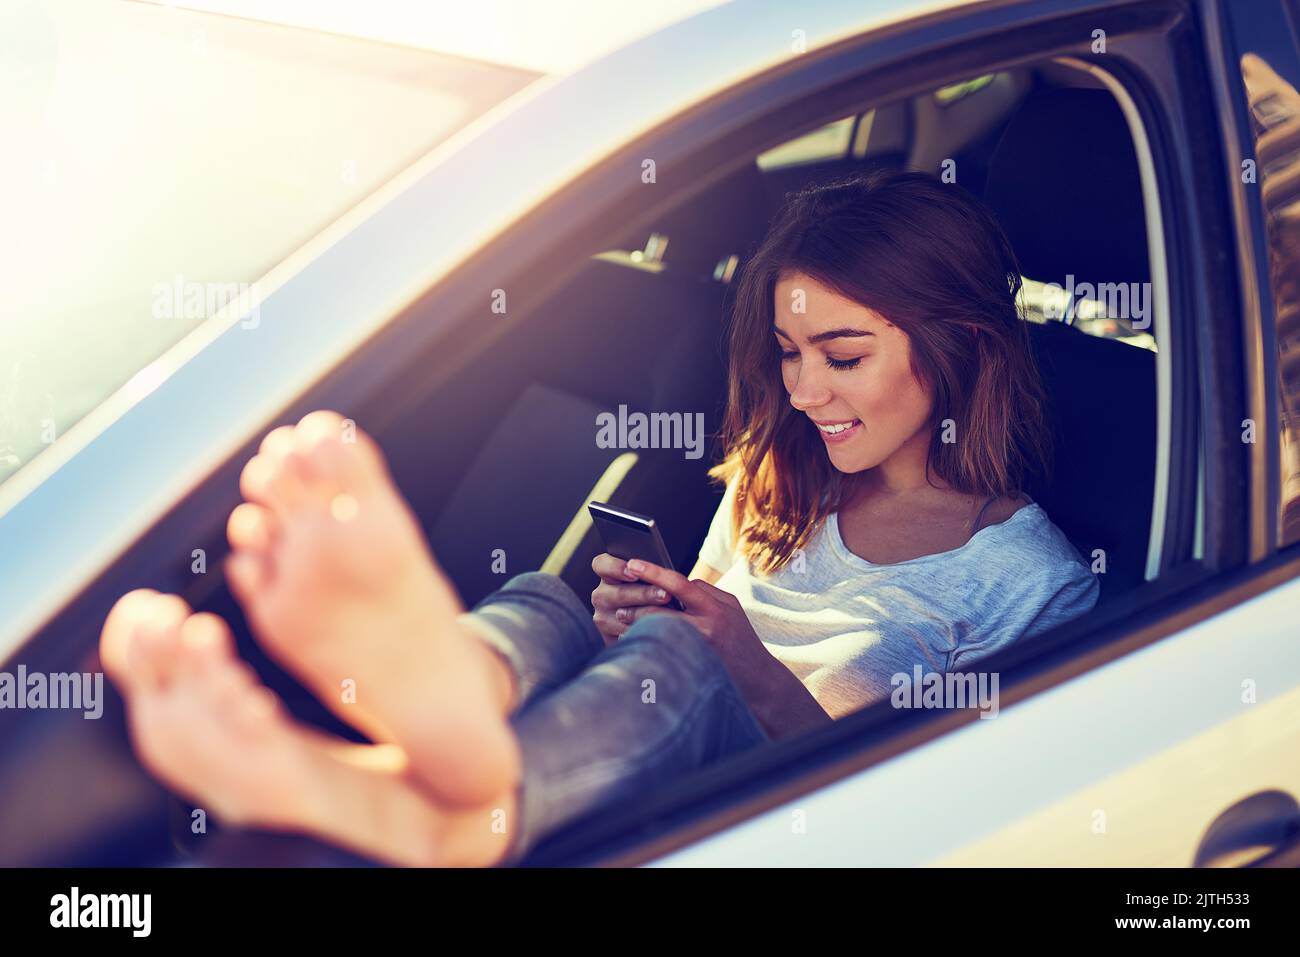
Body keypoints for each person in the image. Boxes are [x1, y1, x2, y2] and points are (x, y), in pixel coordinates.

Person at [98, 171, 1099, 866]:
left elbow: (930, 811)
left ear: (956, 347)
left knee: (680, 660)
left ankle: (445, 817)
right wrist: (639, 616)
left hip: (782, 805)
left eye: (841, 357)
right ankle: (439, 708)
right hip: (643, 728)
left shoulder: (1033, 581)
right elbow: (688, 628)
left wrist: (736, 657)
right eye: (788, 356)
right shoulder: (781, 475)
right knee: (550, 599)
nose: (803, 391)